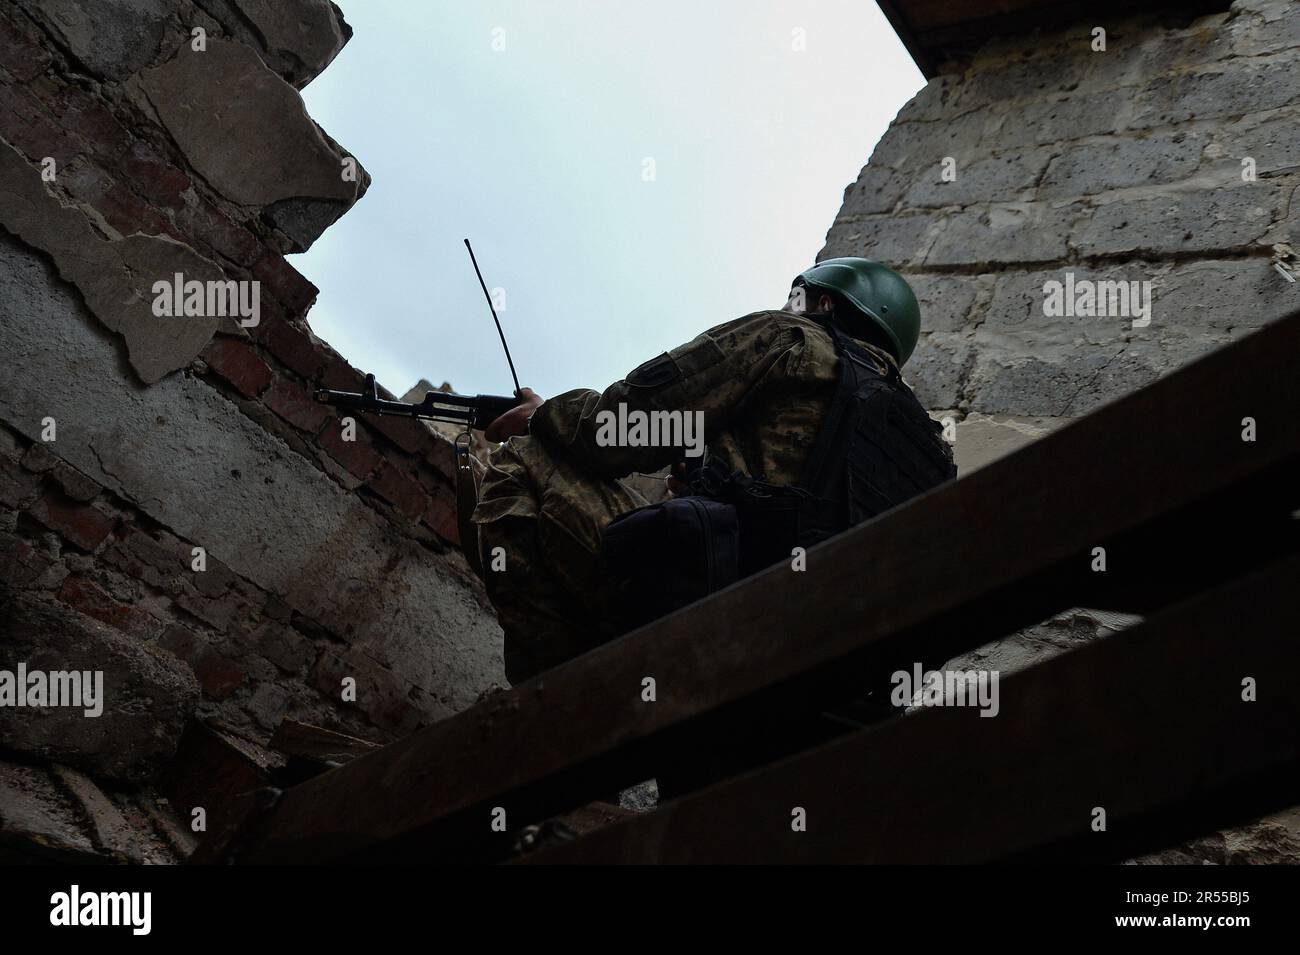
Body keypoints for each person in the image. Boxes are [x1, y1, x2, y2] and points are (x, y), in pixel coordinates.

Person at [473, 257, 955, 685]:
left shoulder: (789, 339)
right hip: (825, 677)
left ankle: (553, 720)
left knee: (527, 457)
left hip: (715, 626)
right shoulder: (927, 448)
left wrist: (542, 415)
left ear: (825, 304)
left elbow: (621, 429)